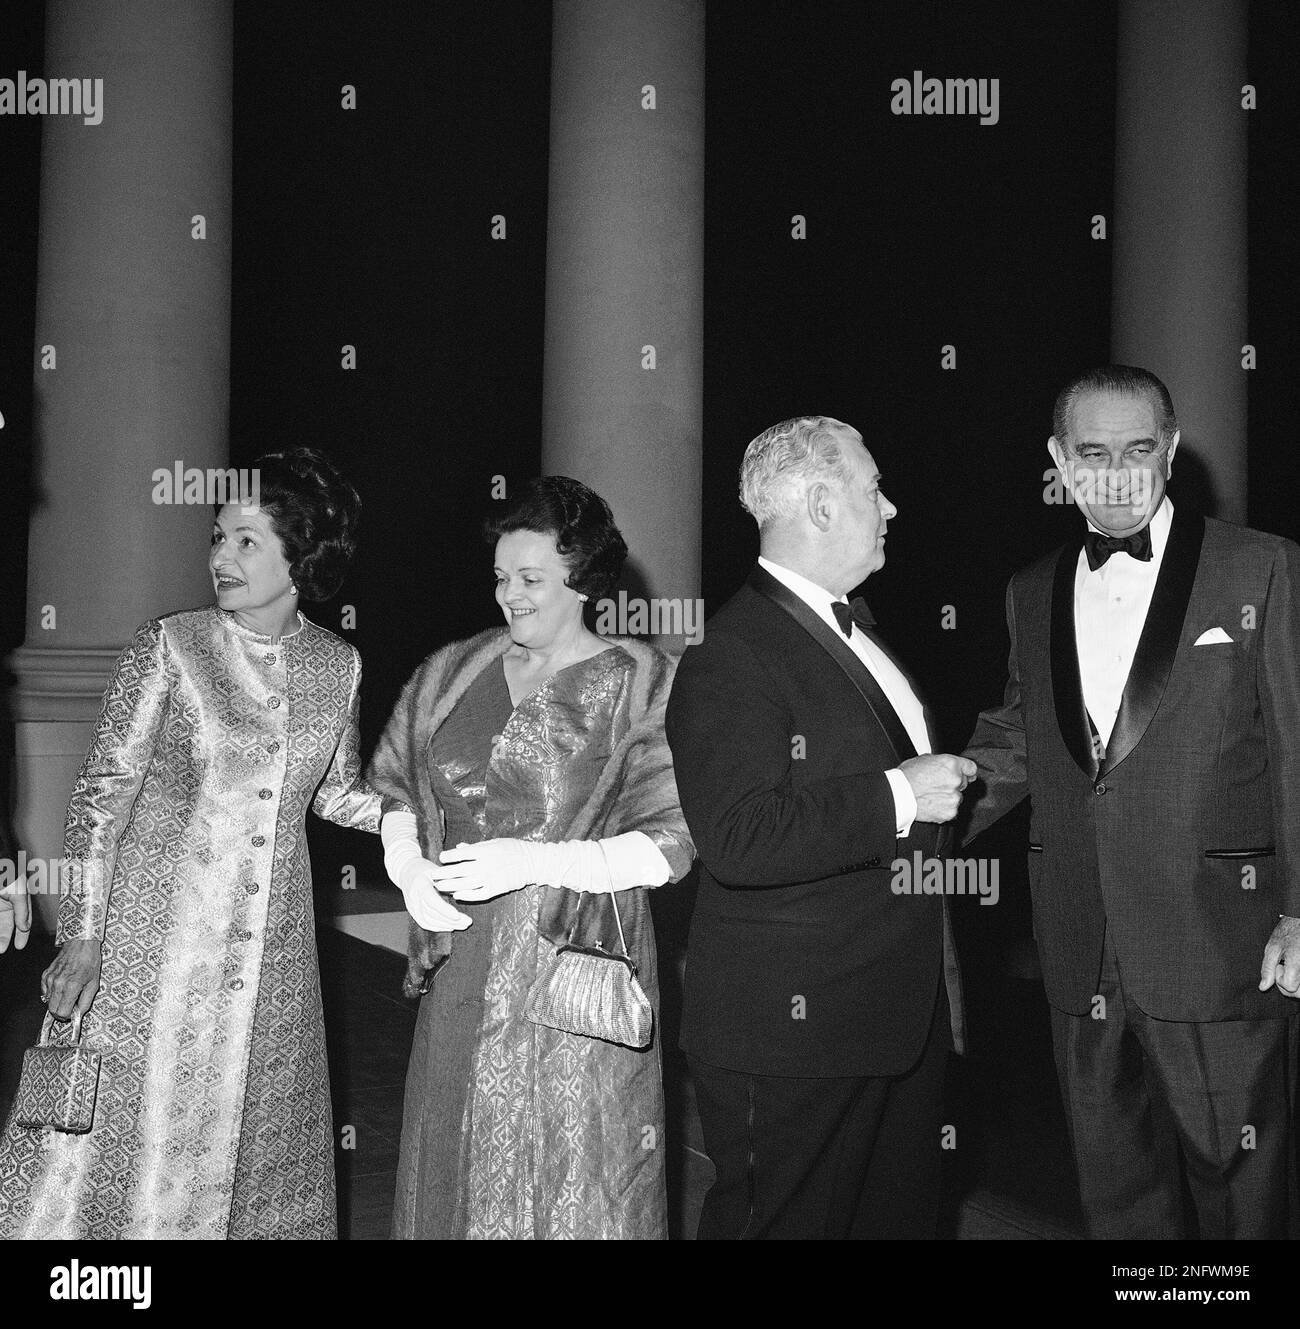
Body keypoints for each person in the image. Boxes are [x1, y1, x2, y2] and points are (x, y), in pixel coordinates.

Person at [0, 448, 380, 1239]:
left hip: (272, 964)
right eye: (218, 536)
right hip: (151, 955)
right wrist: (83, 935)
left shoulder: (337, 665)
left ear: (300, 553)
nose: (220, 556)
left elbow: (338, 791)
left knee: (257, 1148)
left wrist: (421, 817)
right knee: (135, 1150)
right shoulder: (171, 646)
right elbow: (102, 793)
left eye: (247, 540)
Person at [960, 365, 1300, 1239]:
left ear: (1174, 451)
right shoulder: (1029, 589)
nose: (1116, 474)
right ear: (1059, 461)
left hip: (1220, 945)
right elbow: (1019, 736)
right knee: (1118, 1204)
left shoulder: (1260, 566)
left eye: (1140, 450)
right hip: (1080, 943)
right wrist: (897, 808)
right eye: (1093, 452)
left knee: (1245, 1202)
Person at [665, 416, 973, 1240]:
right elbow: (737, 834)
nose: (892, 508)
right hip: (793, 1035)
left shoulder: (858, 626)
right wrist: (898, 795)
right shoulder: (729, 652)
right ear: (823, 505)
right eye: (874, 488)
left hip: (893, 1019)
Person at [368, 475, 694, 1240]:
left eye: (531, 579)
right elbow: (395, 789)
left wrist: (538, 860)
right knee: (448, 1167)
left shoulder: (645, 683)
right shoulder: (453, 670)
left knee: (573, 1184)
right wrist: (408, 867)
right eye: (500, 578)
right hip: (461, 962)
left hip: (571, 973)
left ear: (582, 582)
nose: (508, 595)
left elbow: (669, 843)